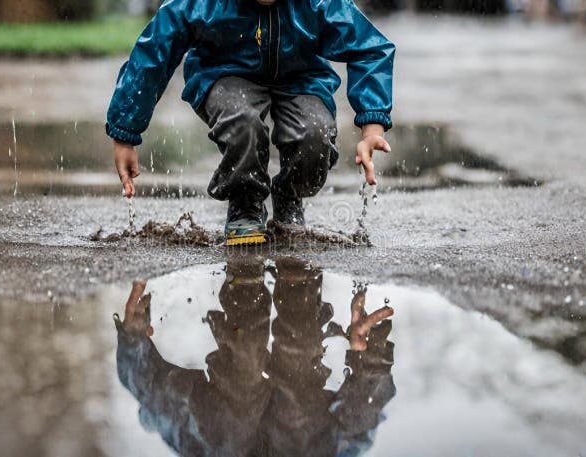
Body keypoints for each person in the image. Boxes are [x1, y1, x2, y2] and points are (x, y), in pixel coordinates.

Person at [106, 0, 395, 245]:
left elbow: (370, 49)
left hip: (302, 78)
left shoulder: (318, 3)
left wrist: (372, 127)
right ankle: (245, 201)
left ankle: (290, 196)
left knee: (313, 135)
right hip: (225, 73)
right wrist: (125, 134)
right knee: (242, 121)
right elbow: (154, 51)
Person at [114, 255, 396, 456]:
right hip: (298, 429)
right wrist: (369, 355)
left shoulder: (213, 447)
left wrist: (134, 339)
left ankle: (244, 282)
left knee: (234, 406)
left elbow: (156, 400)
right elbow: (359, 426)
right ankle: (298, 281)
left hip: (233, 422)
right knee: (297, 396)